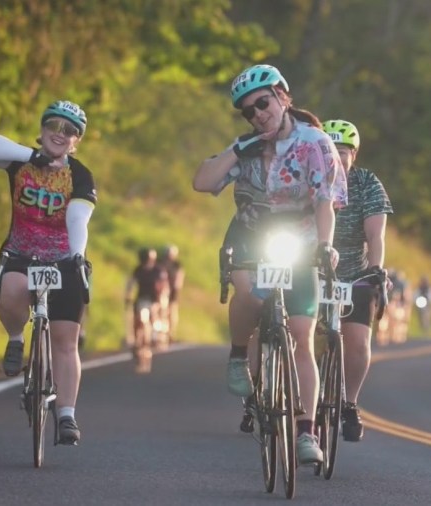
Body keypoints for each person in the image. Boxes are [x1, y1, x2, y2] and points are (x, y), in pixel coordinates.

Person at [192, 64, 347, 464]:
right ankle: (240, 354)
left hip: (301, 237)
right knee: (249, 294)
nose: (258, 114)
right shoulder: (246, 146)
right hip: (251, 232)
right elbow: (203, 183)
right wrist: (238, 149)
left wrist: (326, 246)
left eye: (262, 103)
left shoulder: (315, 142)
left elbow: (324, 201)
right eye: (248, 111)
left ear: (282, 96)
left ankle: (305, 431)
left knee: (300, 333)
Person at [0, 100, 95, 445]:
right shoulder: (21, 160)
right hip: (20, 253)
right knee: (12, 289)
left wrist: (76, 255)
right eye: (54, 126)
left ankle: (67, 416)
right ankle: (16, 339)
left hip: (62, 257)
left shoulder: (80, 175)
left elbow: (78, 217)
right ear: (43, 130)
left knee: (65, 339)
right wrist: (30, 157)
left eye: (69, 131)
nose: (60, 134)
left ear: (76, 141)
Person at [321, 118, 393, 442]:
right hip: (313, 267)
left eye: (343, 151)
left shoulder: (367, 183)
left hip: (354, 273)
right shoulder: (309, 179)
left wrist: (376, 269)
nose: (337, 156)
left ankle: (349, 402)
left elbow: (375, 235)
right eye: (329, 150)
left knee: (359, 341)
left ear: (354, 155)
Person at [123, 247, 170, 372]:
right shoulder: (138, 270)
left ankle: (155, 336)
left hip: (154, 301)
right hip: (141, 299)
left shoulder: (158, 270)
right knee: (138, 323)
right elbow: (131, 283)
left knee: (151, 319)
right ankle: (138, 343)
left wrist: (162, 300)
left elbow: (164, 286)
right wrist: (128, 295)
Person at [158, 244, 185, 343]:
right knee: (162, 311)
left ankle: (171, 333)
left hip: (173, 291)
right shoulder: (160, 263)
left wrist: (177, 287)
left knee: (172, 312)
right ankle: (162, 333)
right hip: (162, 290)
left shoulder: (177, 264)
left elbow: (179, 276)